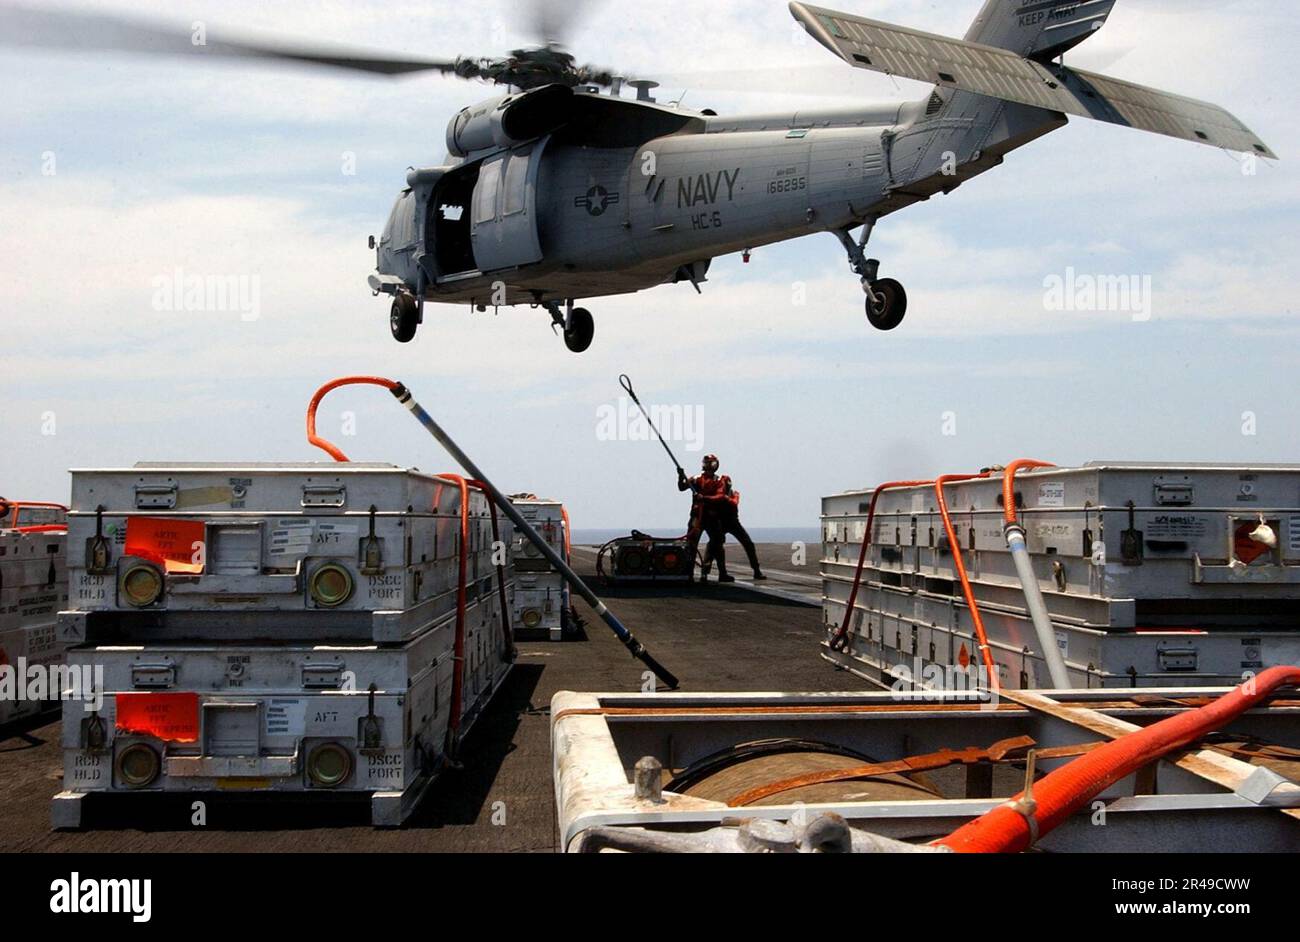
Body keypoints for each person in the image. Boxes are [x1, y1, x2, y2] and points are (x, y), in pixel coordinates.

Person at [678, 455, 765, 583]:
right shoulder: (696, 479)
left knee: (717, 544)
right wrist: (680, 476)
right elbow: (682, 487)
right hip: (698, 517)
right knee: (692, 545)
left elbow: (722, 497)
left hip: (713, 518)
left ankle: (720, 573)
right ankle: (690, 573)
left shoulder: (720, 482)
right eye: (707, 463)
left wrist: (704, 498)